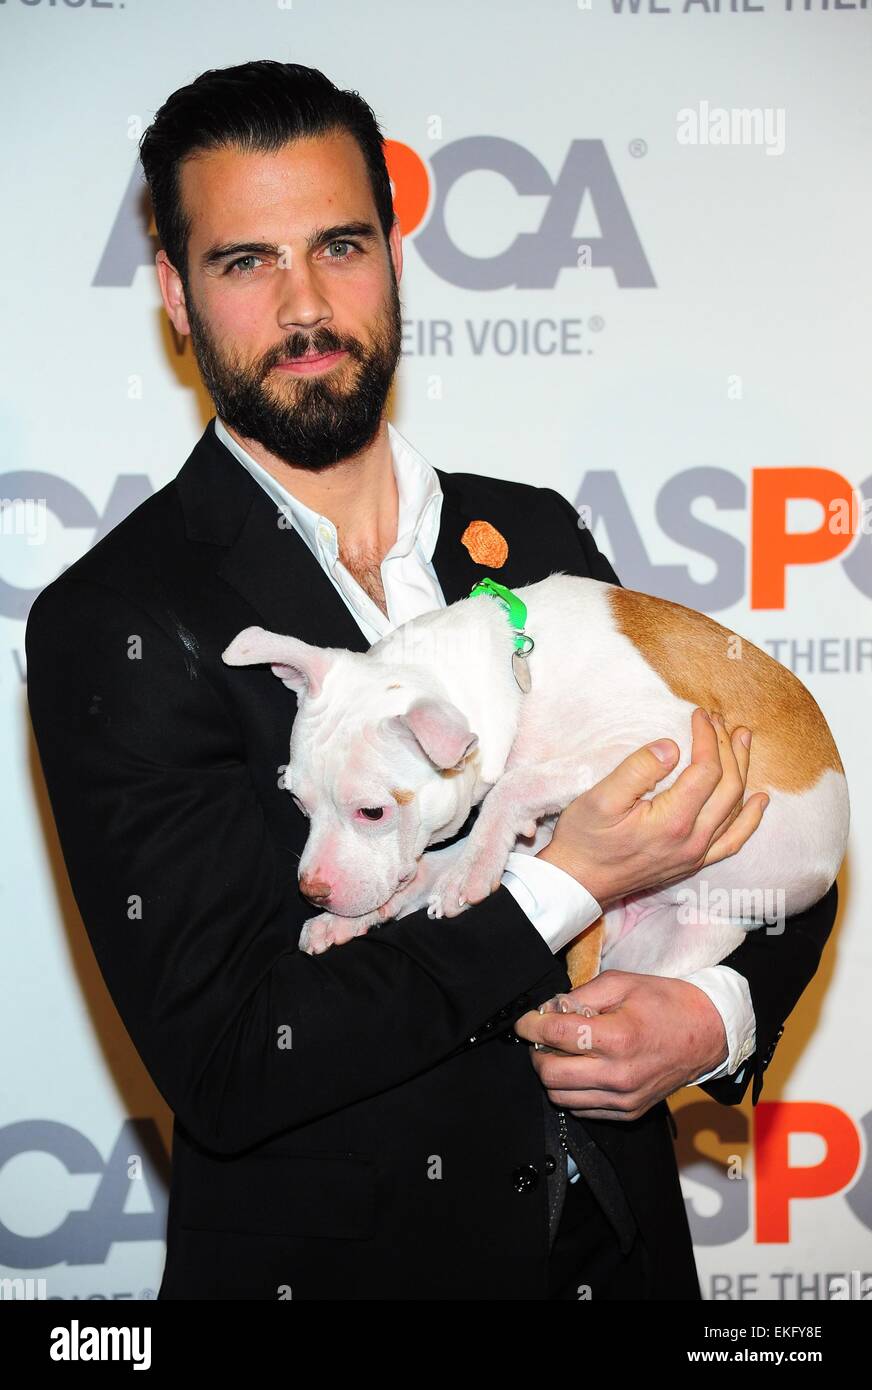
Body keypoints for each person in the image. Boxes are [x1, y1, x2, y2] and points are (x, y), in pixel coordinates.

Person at [25, 60, 838, 1300]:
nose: (304, 303)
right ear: (175, 301)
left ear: (394, 258)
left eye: (339, 245)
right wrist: (564, 885)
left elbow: (762, 811)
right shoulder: (120, 620)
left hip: (622, 1279)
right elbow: (234, 1058)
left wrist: (712, 1017)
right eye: (246, 261)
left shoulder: (539, 542)